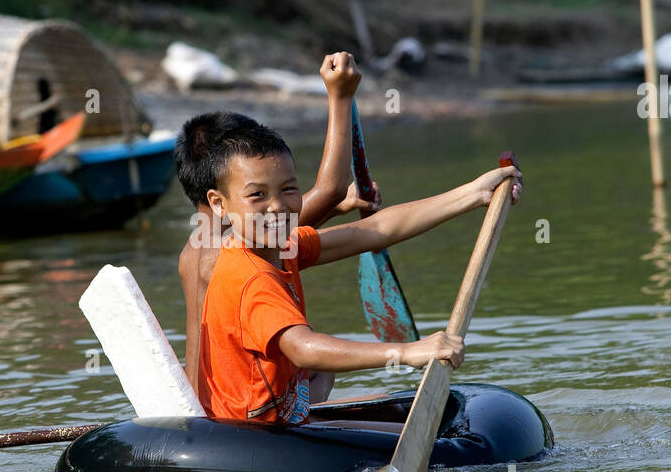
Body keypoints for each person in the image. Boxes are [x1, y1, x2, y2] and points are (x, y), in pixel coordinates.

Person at [196, 122, 521, 424]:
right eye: (257, 195)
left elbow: (374, 230)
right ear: (219, 203)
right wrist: (406, 352)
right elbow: (303, 347)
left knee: (327, 376)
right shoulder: (252, 277)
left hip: (277, 409)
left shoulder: (284, 247)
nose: (278, 206)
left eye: (289, 189)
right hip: (251, 435)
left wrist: (473, 194)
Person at [175, 52, 378, 402]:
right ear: (221, 189)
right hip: (231, 421)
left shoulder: (198, 245)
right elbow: (328, 189)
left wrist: (336, 207)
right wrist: (340, 96)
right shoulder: (231, 245)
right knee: (314, 358)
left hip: (203, 401)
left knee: (320, 367)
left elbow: (293, 224)